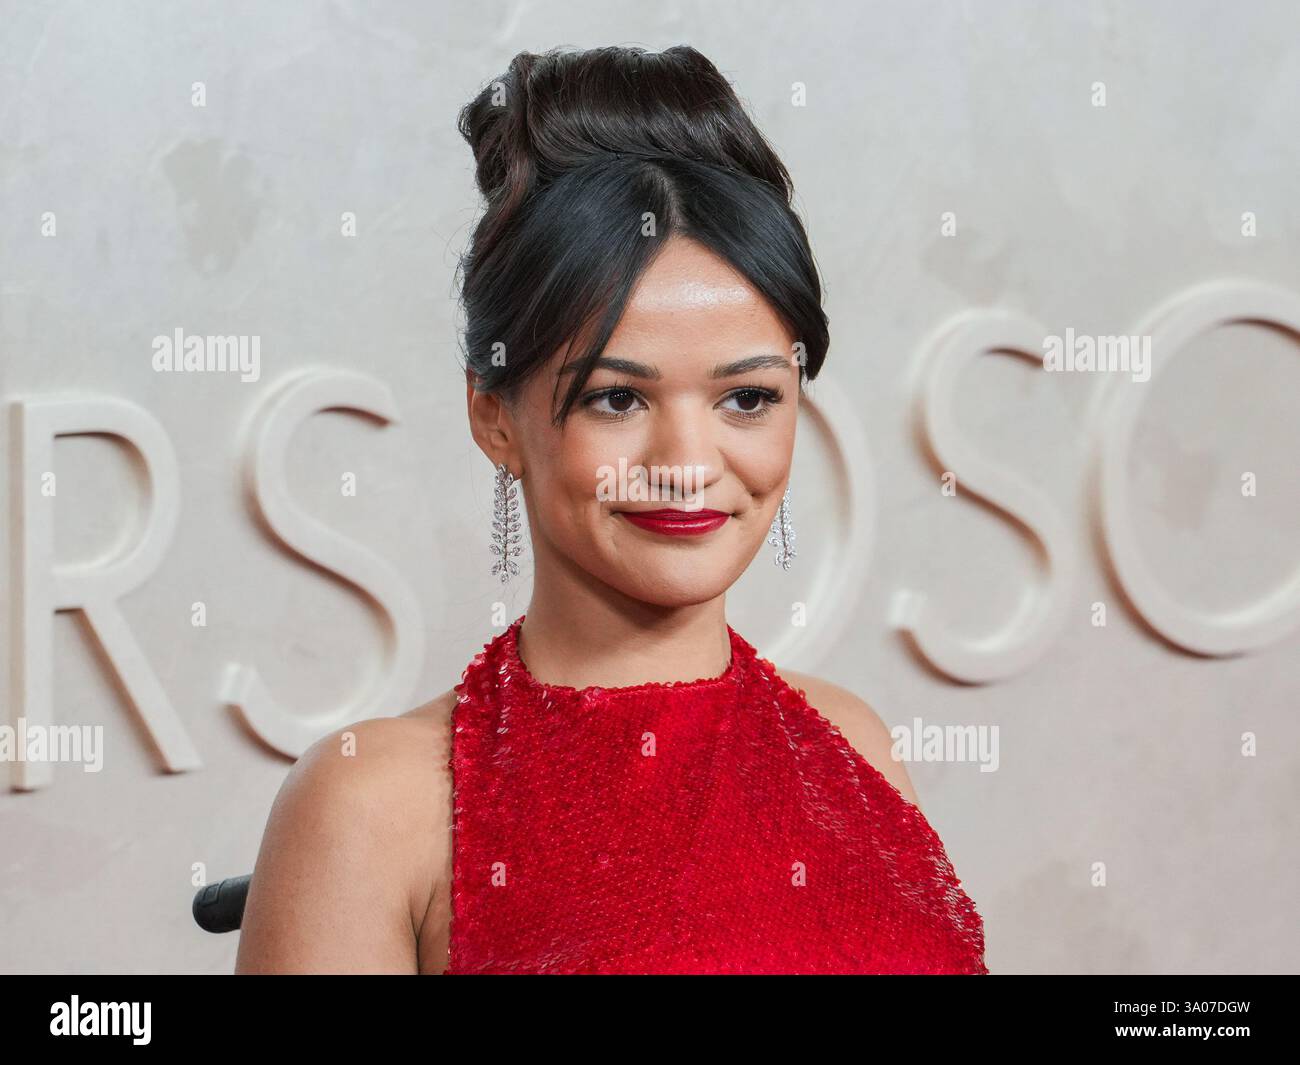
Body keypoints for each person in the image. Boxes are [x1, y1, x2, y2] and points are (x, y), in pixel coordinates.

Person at [235, 44, 987, 975]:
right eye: (615, 398)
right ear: (492, 414)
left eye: (747, 398)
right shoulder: (372, 804)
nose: (685, 465)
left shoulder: (855, 743)